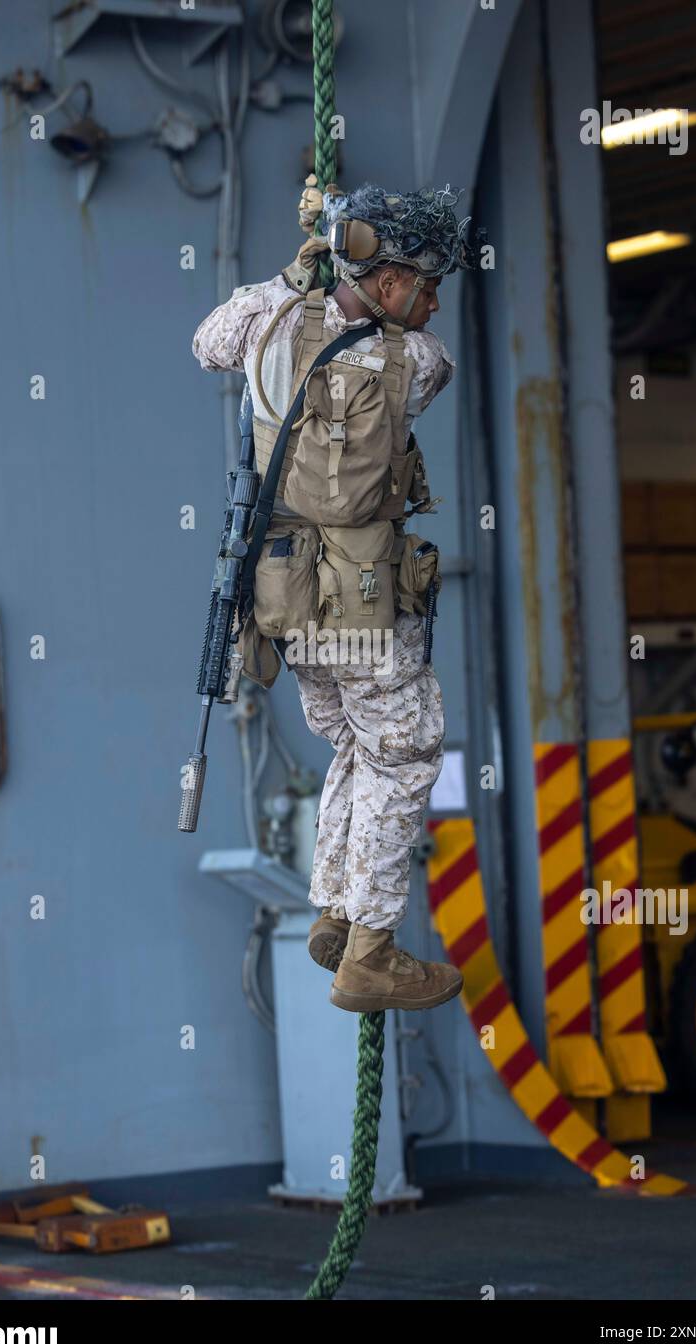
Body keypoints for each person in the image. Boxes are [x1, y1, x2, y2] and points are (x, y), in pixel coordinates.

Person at [192, 183, 475, 1013]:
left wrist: (295, 271)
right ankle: (372, 952)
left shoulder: (268, 326)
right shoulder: (414, 363)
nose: (430, 304)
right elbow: (428, 362)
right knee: (407, 749)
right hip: (358, 600)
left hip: (280, 595)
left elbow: (210, 342)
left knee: (356, 744)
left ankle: (335, 911)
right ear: (387, 284)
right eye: (425, 286)